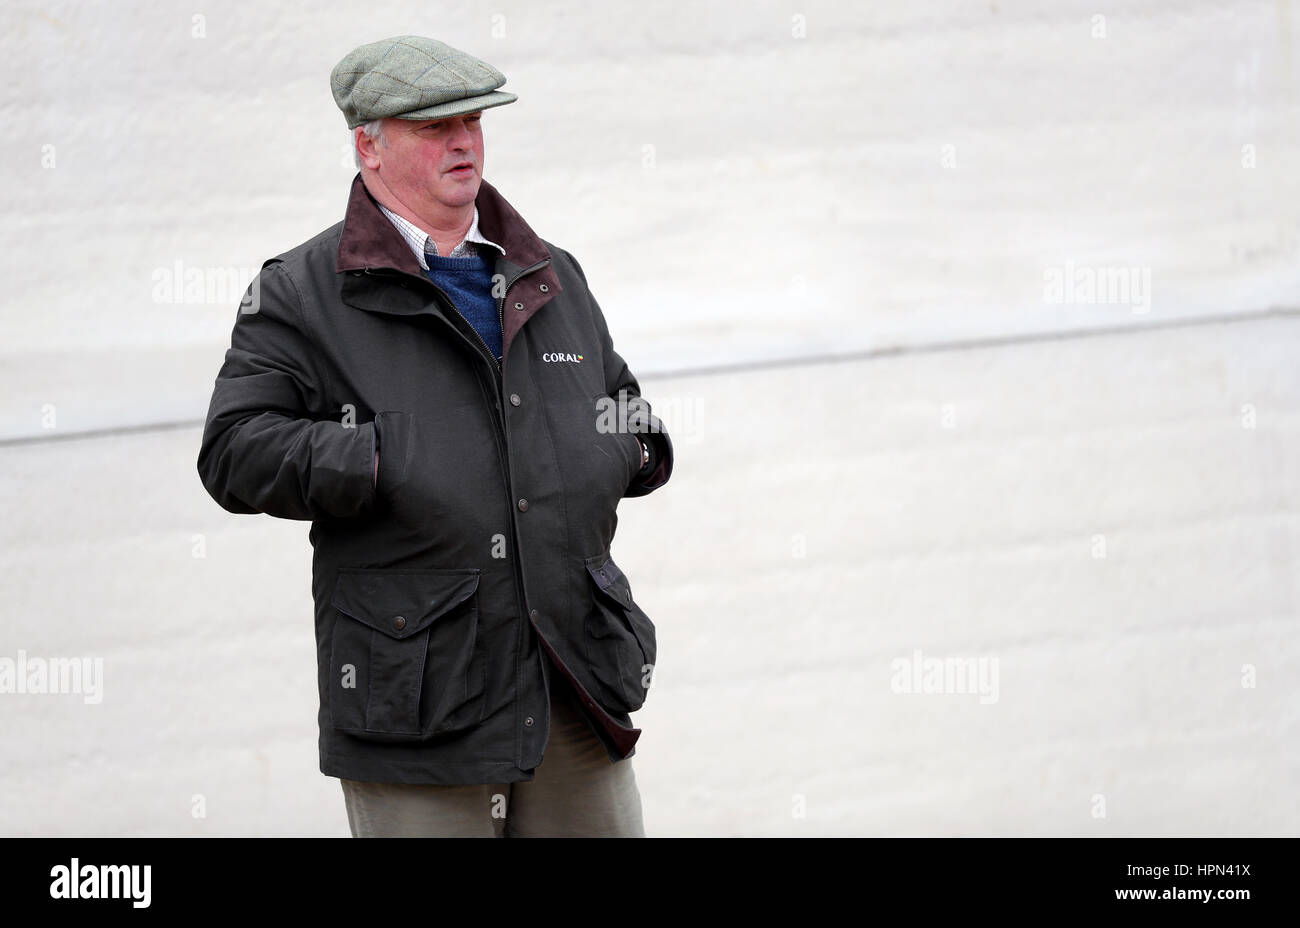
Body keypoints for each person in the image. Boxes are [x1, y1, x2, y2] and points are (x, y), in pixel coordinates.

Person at [196, 35, 673, 837]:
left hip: (573, 682)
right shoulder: (302, 293)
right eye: (432, 125)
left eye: (473, 121)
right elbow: (234, 450)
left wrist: (623, 449)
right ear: (368, 147)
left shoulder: (550, 270)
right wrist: (383, 458)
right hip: (420, 701)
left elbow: (621, 403)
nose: (463, 141)